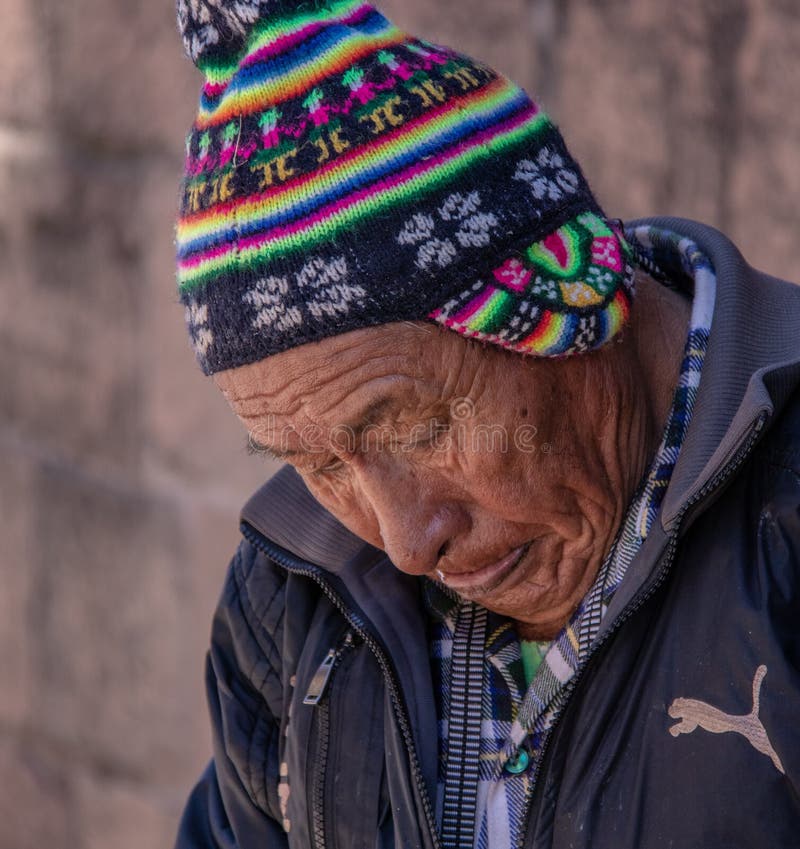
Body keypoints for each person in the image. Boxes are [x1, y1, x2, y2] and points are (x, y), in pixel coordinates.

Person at [172, 1, 800, 847]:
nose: (403, 543)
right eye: (318, 464)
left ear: (569, 299)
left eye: (418, 430)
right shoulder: (288, 602)